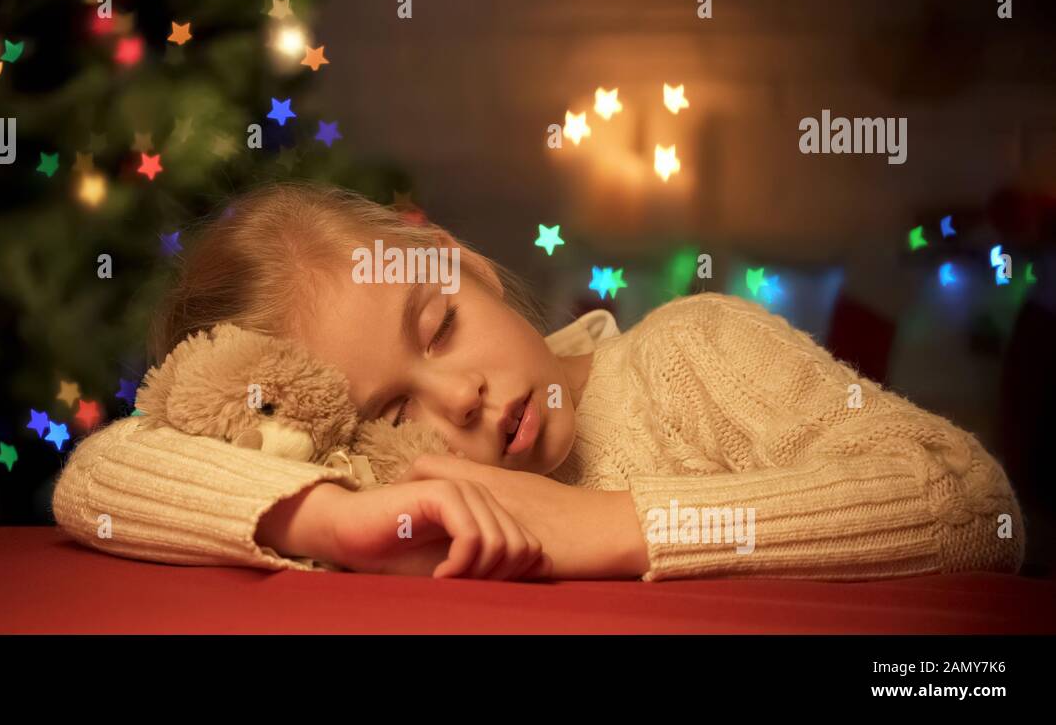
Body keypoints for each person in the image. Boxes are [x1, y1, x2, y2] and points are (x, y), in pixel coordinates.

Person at [52, 182, 1026, 582]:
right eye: (394, 410)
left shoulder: (685, 356)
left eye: (438, 325)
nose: (460, 397)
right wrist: (316, 515)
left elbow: (970, 508)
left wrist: (595, 527)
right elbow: (98, 477)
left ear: (458, 262)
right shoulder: (370, 485)